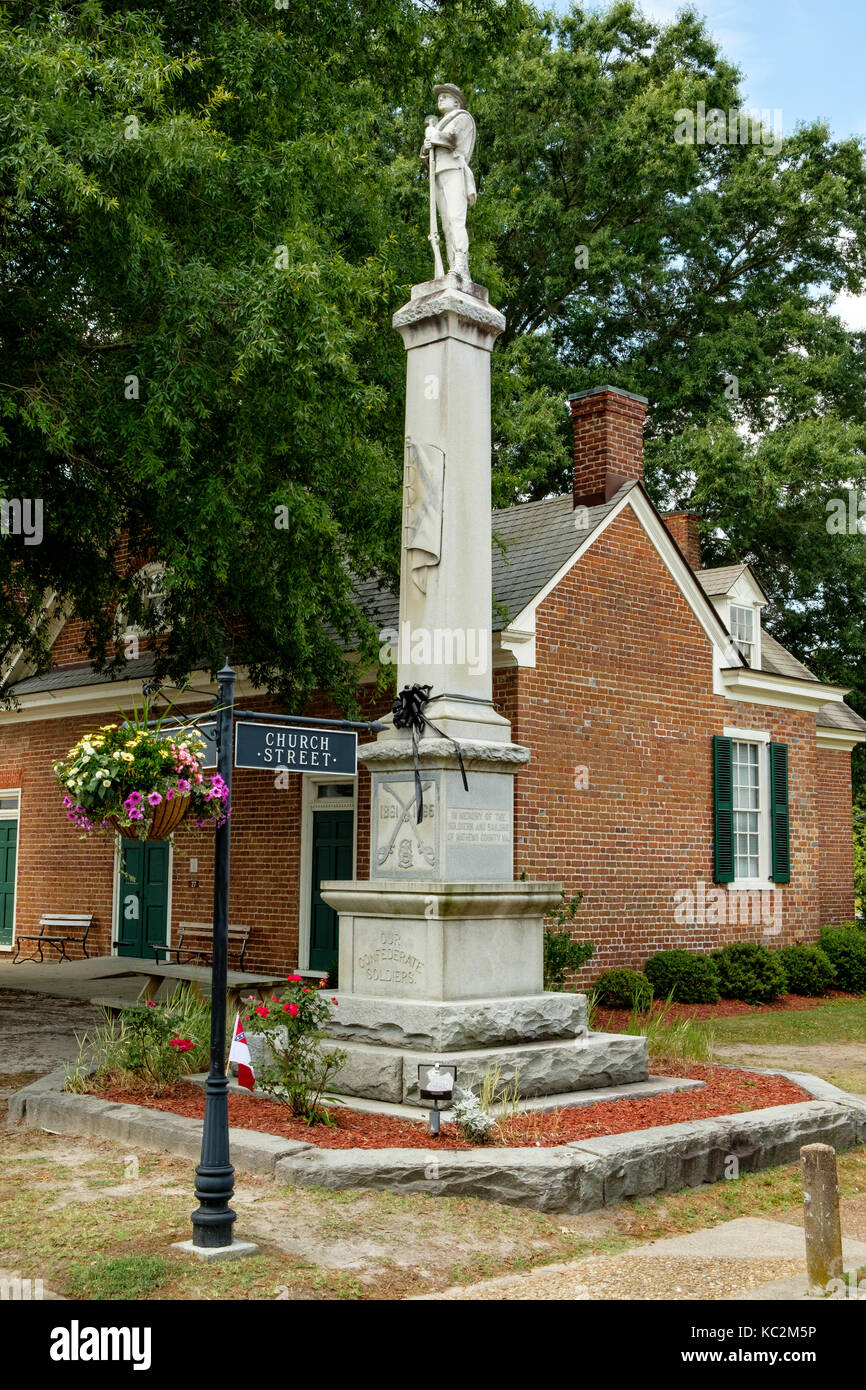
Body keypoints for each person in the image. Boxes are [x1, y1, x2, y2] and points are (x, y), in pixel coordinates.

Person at [421, 83, 477, 278]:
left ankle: (461, 263)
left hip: (454, 169)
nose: (440, 99)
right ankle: (451, 265)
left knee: (455, 219)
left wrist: (434, 136)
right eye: (439, 97)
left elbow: (453, 140)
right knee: (445, 224)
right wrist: (427, 147)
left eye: (445, 96)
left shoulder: (462, 117)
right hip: (438, 173)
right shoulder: (437, 126)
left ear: (456, 101)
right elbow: (428, 156)